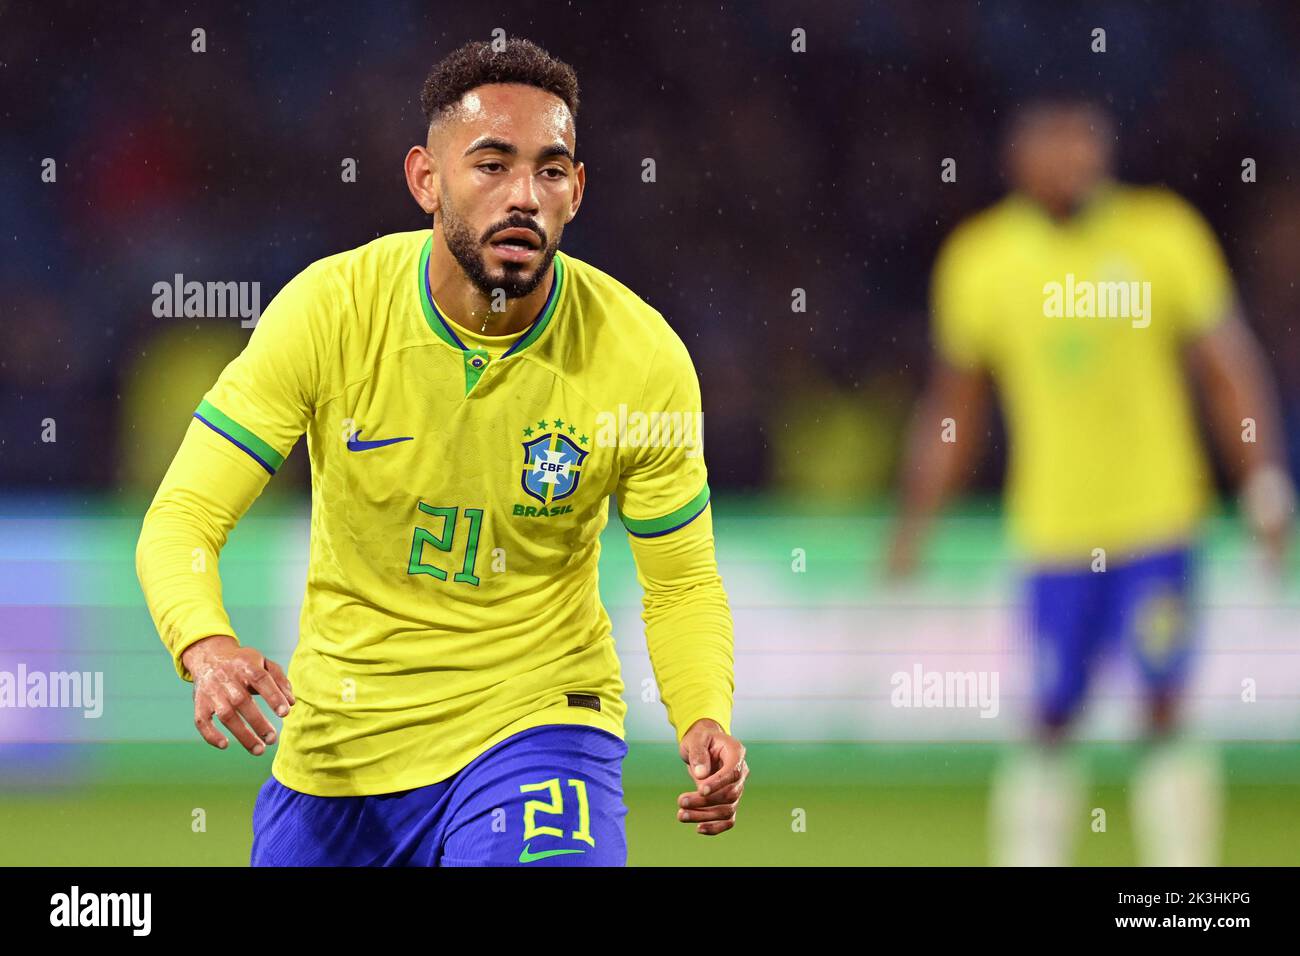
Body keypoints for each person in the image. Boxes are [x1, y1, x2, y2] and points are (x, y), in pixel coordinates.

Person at [136, 38, 746, 866]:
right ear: (426, 178)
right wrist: (204, 645)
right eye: (491, 165)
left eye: (551, 170)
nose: (524, 196)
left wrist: (703, 712)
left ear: (578, 191)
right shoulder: (330, 311)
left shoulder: (642, 358)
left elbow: (680, 582)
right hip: (342, 744)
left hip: (539, 720)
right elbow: (183, 519)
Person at [889, 97, 1294, 865]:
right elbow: (955, 409)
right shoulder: (983, 260)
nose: (1073, 157)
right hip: (1054, 533)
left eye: (1085, 141)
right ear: (1020, 158)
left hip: (1158, 521)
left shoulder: (1161, 234)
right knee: (1049, 716)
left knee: (1164, 706)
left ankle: (1183, 893)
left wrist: (1264, 483)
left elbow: (1227, 370)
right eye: (1055, 142)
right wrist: (915, 522)